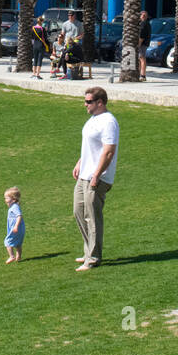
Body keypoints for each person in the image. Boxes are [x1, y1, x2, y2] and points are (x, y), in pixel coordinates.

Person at [72, 86, 118, 271]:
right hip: (84, 174)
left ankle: (93, 257)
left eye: (88, 101)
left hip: (97, 178)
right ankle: (88, 250)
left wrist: (97, 175)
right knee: (78, 212)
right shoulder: (92, 120)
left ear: (100, 102)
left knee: (93, 217)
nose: (85, 104)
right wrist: (80, 162)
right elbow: (91, 147)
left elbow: (108, 152)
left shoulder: (109, 122)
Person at [4, 186, 25, 264]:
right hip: (19, 228)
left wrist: (16, 226)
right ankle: (18, 256)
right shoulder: (14, 206)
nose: (5, 200)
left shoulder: (14, 207)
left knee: (7, 241)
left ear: (13, 199)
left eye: (6, 198)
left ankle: (12, 256)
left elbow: (19, 216)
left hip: (16, 228)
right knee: (18, 243)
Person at [138, 11, 152, 81]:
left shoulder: (143, 24)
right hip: (145, 43)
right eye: (142, 15)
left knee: (142, 58)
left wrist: (139, 44)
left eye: (145, 15)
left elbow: (142, 35)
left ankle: (143, 75)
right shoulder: (147, 24)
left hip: (142, 44)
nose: (143, 16)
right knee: (141, 59)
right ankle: (140, 74)